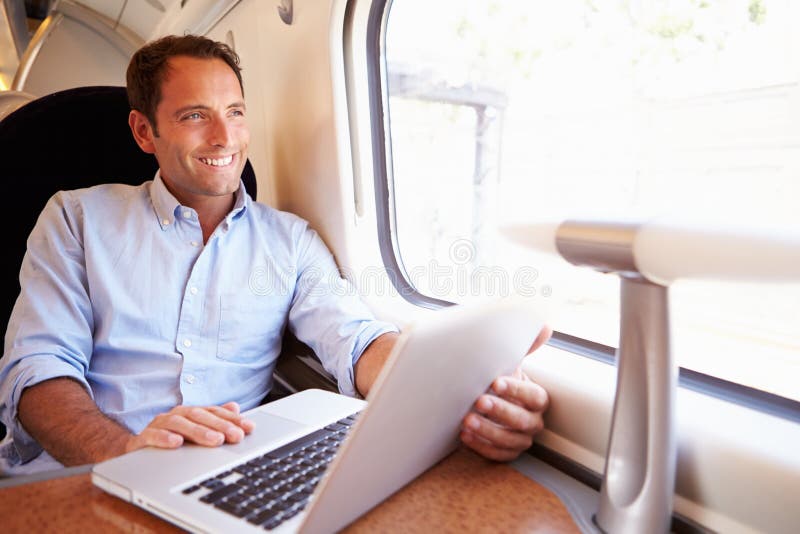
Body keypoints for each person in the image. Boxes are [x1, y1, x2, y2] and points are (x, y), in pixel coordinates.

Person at [0, 35, 551, 476]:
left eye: (235, 112)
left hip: (221, 480)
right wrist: (127, 454)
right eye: (195, 116)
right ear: (145, 131)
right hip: (79, 475)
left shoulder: (289, 241)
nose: (225, 137)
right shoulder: (76, 218)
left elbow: (355, 338)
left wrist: (462, 393)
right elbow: (38, 371)